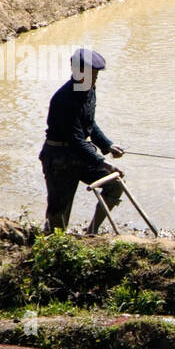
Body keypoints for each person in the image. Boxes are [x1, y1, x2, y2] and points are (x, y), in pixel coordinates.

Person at [39, 48, 127, 233]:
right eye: (89, 75)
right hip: (60, 158)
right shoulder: (64, 99)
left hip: (81, 154)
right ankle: (53, 244)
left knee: (115, 185)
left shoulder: (89, 90)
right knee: (59, 212)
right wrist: (104, 163)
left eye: (95, 75)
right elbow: (75, 139)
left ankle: (92, 231)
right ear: (76, 71)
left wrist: (107, 145)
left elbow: (89, 123)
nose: (94, 80)